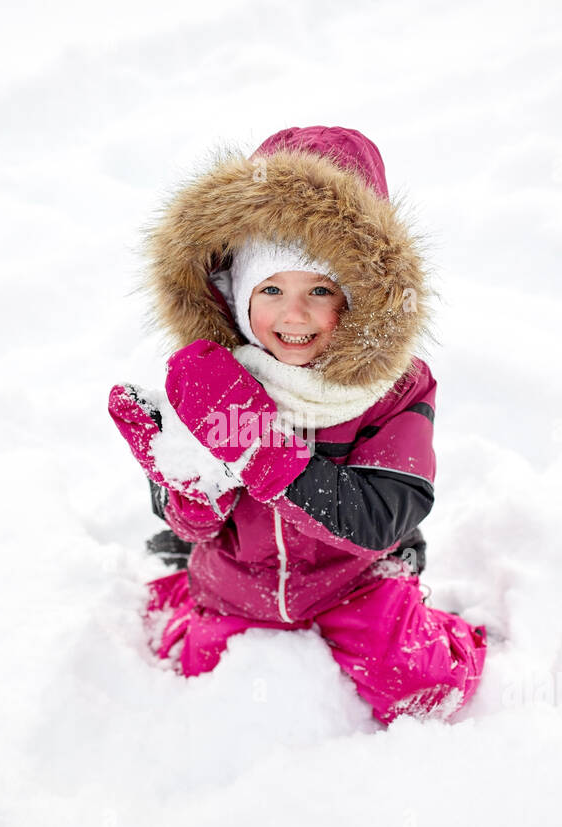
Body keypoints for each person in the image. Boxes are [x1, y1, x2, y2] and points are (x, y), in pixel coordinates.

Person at [108, 126, 486, 725]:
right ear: (236, 298)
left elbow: (382, 515)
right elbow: (192, 525)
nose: (294, 313)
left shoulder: (394, 387)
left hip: (356, 583)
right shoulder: (212, 380)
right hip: (236, 581)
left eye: (320, 289)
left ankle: (452, 635)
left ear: (361, 300)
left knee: (423, 691)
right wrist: (186, 484)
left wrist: (259, 450)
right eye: (272, 289)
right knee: (194, 693)